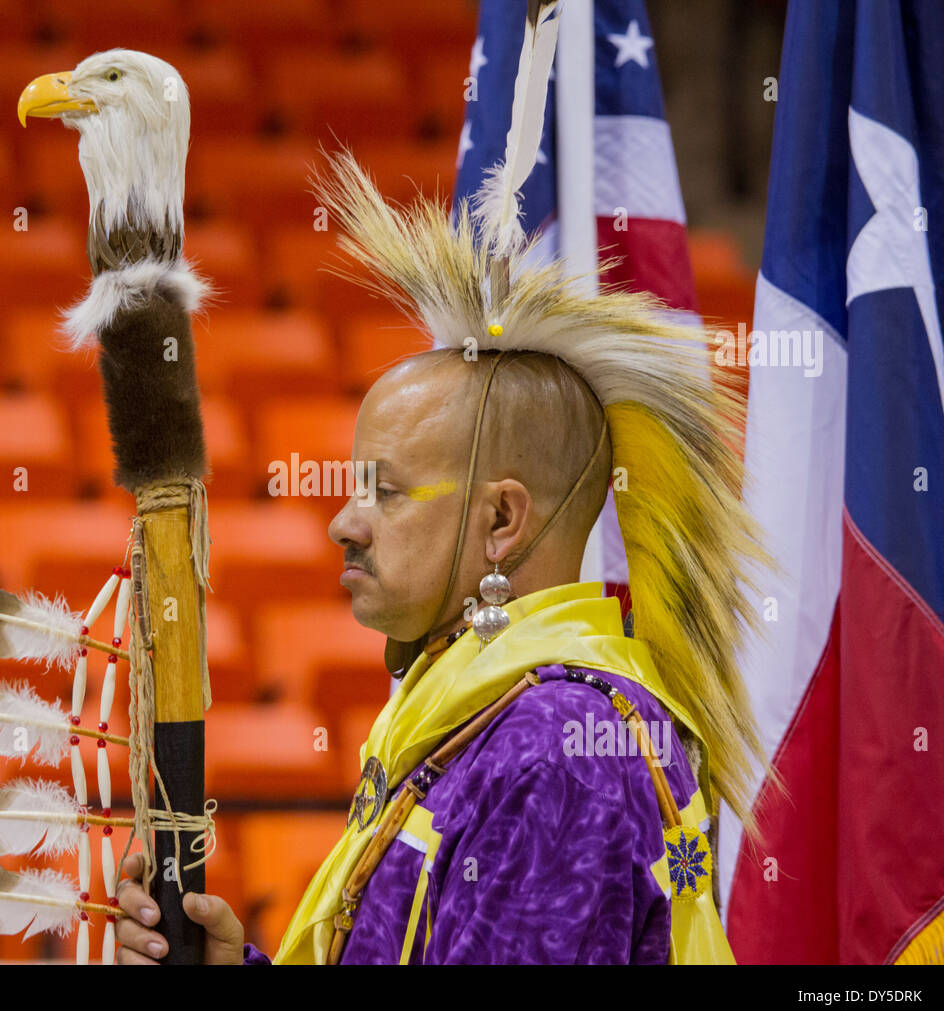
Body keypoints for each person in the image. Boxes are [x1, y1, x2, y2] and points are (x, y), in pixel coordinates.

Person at [114, 148, 774, 964]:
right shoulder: (489, 714)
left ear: (503, 519)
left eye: (385, 492)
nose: (342, 525)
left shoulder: (559, 747)